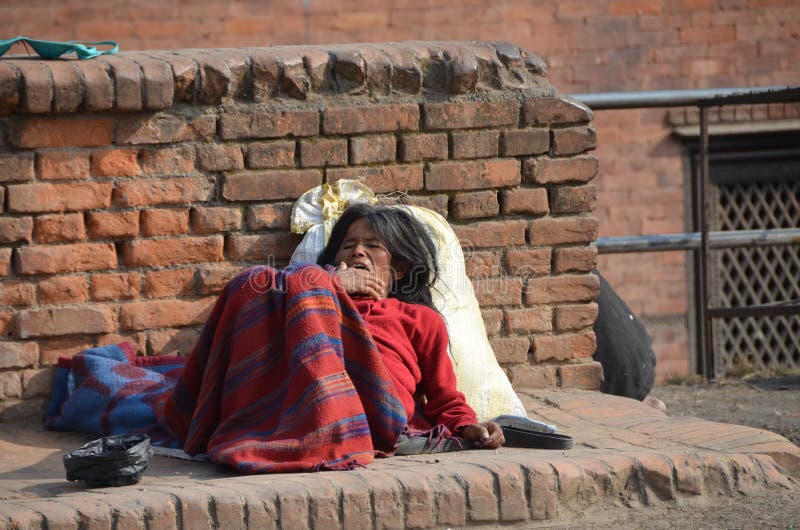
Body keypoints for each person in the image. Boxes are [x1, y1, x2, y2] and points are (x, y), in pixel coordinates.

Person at [156, 203, 503, 474]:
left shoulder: (419, 319)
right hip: (297, 407)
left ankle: (328, 432)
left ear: (398, 268)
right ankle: (268, 434)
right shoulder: (308, 298)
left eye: (373, 246)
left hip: (372, 417)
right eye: (348, 246)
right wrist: (332, 286)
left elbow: (444, 398)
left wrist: (470, 427)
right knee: (255, 279)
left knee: (302, 279)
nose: (357, 253)